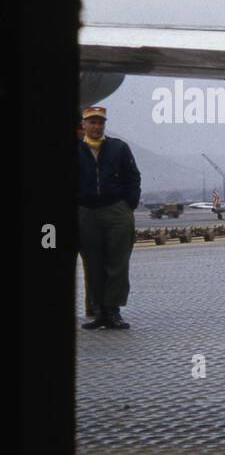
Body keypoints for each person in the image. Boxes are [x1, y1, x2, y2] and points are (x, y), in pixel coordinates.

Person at [77, 105, 141, 329]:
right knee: (92, 263)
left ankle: (113, 311)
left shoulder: (118, 147)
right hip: (86, 212)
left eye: (100, 122)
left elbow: (133, 177)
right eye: (92, 122)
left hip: (115, 210)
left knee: (118, 262)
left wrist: (128, 205)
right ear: (84, 124)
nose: (96, 126)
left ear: (104, 124)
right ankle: (99, 312)